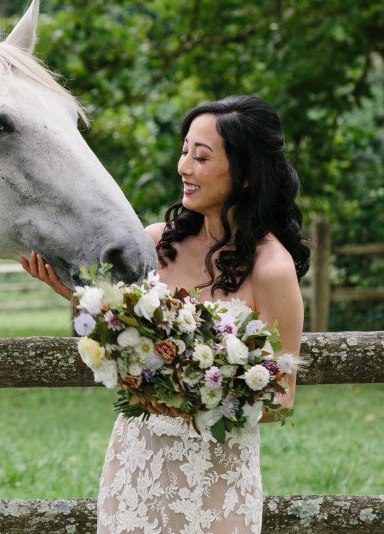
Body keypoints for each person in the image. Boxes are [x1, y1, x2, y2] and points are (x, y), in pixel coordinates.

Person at [21, 95, 309, 533]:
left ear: (247, 174)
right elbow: (125, 334)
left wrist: (195, 399)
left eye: (201, 156)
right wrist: (77, 296)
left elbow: (280, 399)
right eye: (184, 151)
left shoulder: (271, 269)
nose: (184, 167)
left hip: (217, 481)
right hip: (139, 465)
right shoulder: (155, 243)